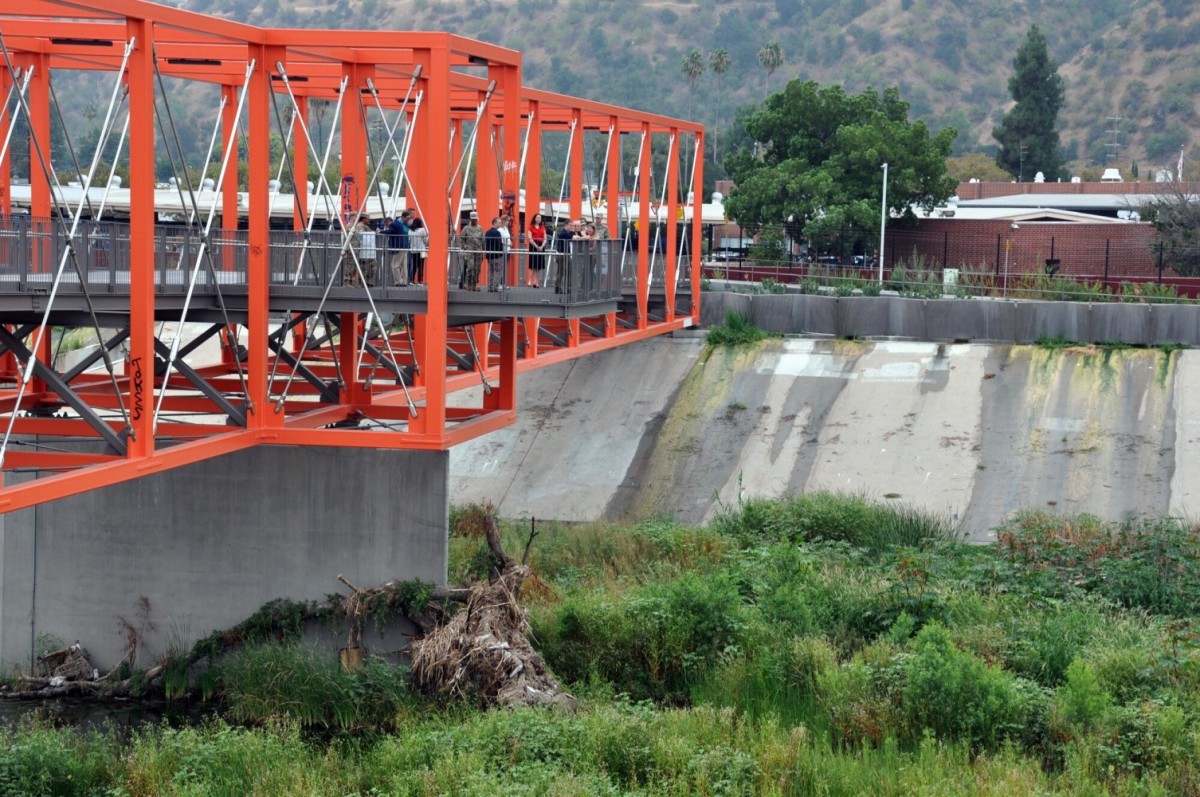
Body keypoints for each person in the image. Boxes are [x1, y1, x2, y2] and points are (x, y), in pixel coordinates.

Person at [344, 218, 377, 287]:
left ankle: (357, 282)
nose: (356, 218)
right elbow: (347, 237)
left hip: (359, 249)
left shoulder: (356, 226)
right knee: (351, 265)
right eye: (355, 217)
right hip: (353, 249)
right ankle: (348, 282)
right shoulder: (352, 226)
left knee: (356, 266)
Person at [458, 211, 484, 290]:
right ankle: (469, 283)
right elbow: (462, 239)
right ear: (470, 219)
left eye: (475, 219)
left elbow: (483, 240)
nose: (474, 221)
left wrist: (483, 250)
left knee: (477, 268)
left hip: (478, 251)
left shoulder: (480, 228)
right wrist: (465, 247)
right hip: (470, 250)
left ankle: (475, 284)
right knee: (470, 267)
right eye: (473, 219)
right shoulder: (466, 228)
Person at [385, 215, 409, 286]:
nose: (388, 227)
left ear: (388, 222)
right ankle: (404, 281)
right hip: (404, 246)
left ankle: (399, 282)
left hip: (398, 247)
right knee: (403, 265)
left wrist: (380, 232)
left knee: (394, 265)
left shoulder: (393, 224)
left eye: (387, 225)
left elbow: (390, 231)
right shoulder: (398, 223)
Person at [485, 216, 506, 291]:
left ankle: (490, 286)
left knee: (490, 271)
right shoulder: (497, 233)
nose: (500, 224)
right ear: (495, 223)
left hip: (489, 255)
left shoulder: (487, 232)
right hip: (497, 255)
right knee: (497, 271)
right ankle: (495, 286)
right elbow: (499, 244)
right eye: (499, 223)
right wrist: (502, 252)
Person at [526, 213, 547, 286]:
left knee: (539, 266)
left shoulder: (542, 227)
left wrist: (542, 246)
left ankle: (536, 282)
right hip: (533, 246)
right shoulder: (531, 227)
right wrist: (536, 246)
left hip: (541, 245)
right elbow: (530, 238)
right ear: (534, 219)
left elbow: (545, 238)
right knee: (533, 265)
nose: (539, 219)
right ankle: (530, 280)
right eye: (537, 218)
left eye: (540, 218)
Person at [408, 217, 428, 284]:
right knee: (421, 266)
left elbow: (409, 240)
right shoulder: (422, 230)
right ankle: (420, 280)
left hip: (413, 250)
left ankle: (412, 280)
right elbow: (425, 240)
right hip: (421, 249)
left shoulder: (410, 231)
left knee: (414, 265)